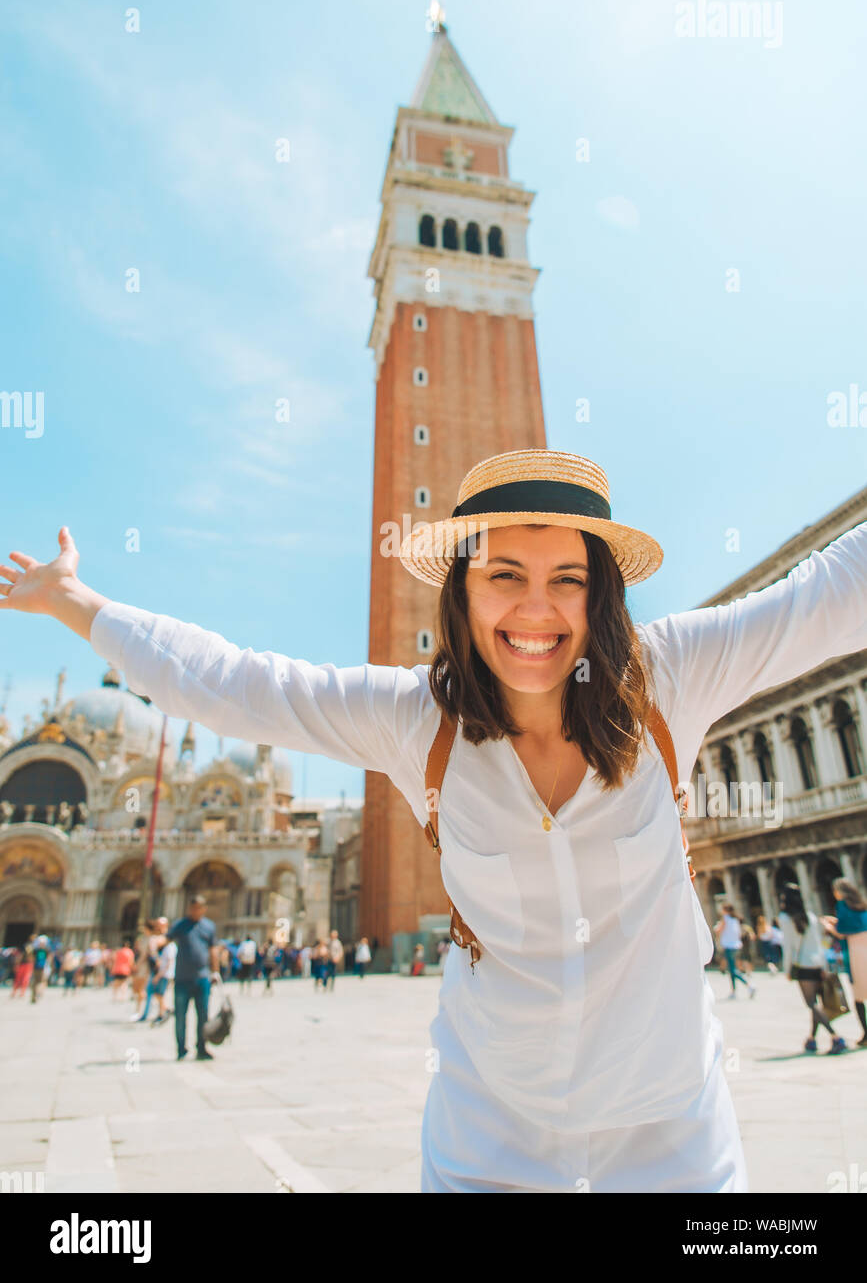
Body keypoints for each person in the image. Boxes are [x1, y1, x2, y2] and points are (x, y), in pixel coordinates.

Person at [2, 451, 865, 1193]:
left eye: (567, 580)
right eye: (504, 577)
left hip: (676, 1143)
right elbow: (234, 682)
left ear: (599, 596)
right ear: (460, 593)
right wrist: (78, 603)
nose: (535, 612)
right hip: (488, 1147)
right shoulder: (412, 721)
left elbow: (831, 591)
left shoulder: (671, 678)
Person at [778, 883, 845, 1055]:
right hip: (817, 963)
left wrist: (787, 970)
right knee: (816, 1004)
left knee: (811, 1004)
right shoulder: (810, 916)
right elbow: (818, 943)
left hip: (802, 966)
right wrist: (824, 965)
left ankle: (835, 1037)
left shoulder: (785, 919)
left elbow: (788, 947)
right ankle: (811, 1039)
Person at [167, 894, 220, 1060]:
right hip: (182, 978)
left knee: (203, 1015)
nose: (195, 911)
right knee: (181, 1016)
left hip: (202, 978)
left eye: (198, 908)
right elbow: (166, 939)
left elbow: (213, 949)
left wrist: (216, 971)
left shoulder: (209, 926)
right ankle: (181, 1049)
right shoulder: (180, 925)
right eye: (192, 908)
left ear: (204, 909)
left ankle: (202, 1048)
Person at [822, 879, 867, 1048]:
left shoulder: (842, 905)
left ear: (840, 891)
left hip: (856, 952)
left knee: (859, 997)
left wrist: (828, 925)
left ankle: (866, 1034)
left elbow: (841, 932)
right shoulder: (861, 904)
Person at [713, 905, 756, 1000]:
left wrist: (716, 928)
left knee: (732, 970)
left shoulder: (725, 918)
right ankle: (733, 991)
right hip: (736, 945)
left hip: (728, 946)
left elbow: (718, 930)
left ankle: (749, 985)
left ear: (726, 910)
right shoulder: (735, 919)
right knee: (732, 969)